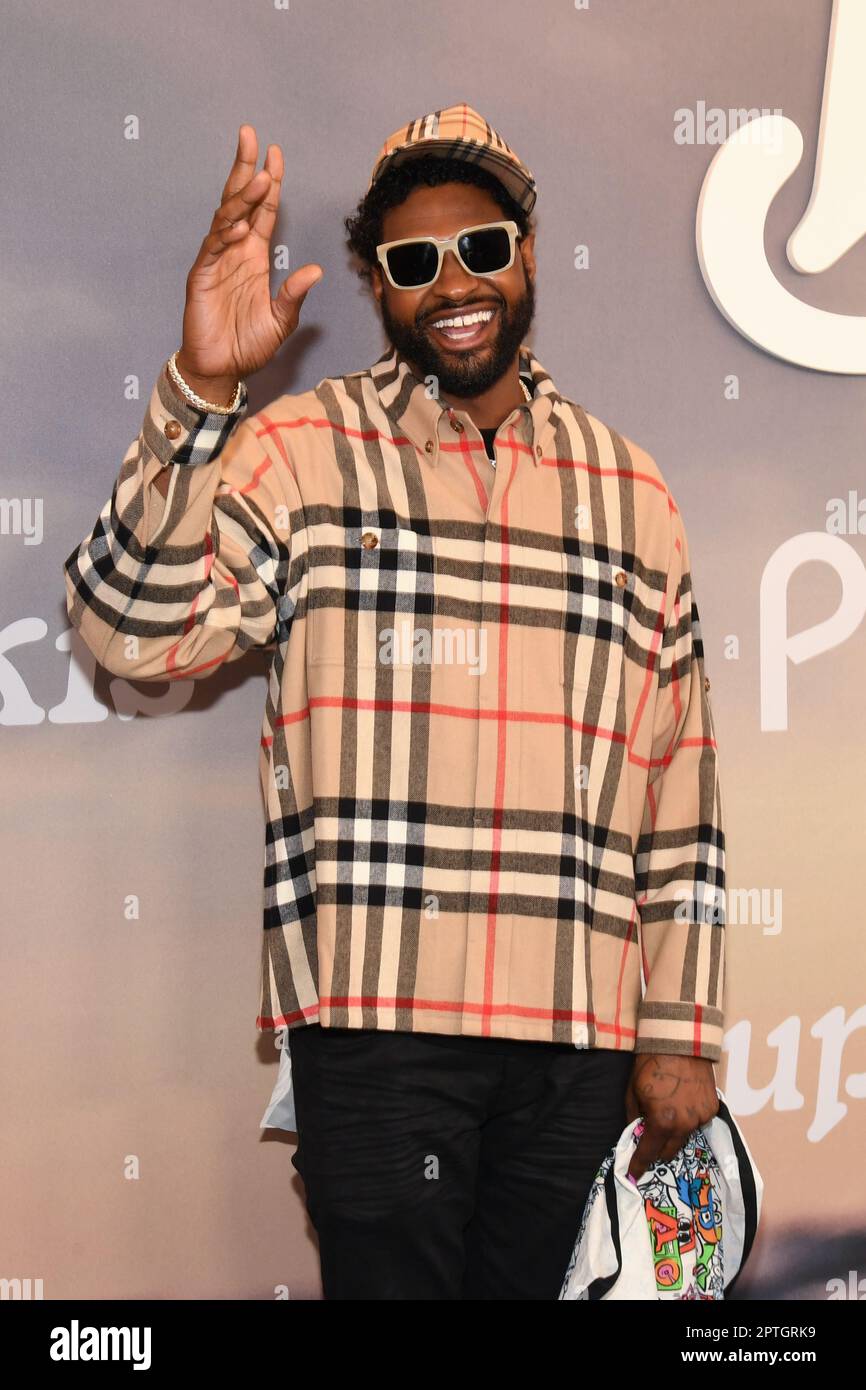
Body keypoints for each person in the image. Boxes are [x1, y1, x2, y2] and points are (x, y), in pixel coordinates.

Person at [63, 103, 727, 1300]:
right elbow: (128, 632)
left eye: (480, 245)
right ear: (376, 286)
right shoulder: (296, 450)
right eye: (414, 263)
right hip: (377, 1029)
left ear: (524, 253)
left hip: (577, 1039)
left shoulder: (631, 490)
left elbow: (677, 774)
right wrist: (200, 389)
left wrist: (678, 1021)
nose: (453, 283)